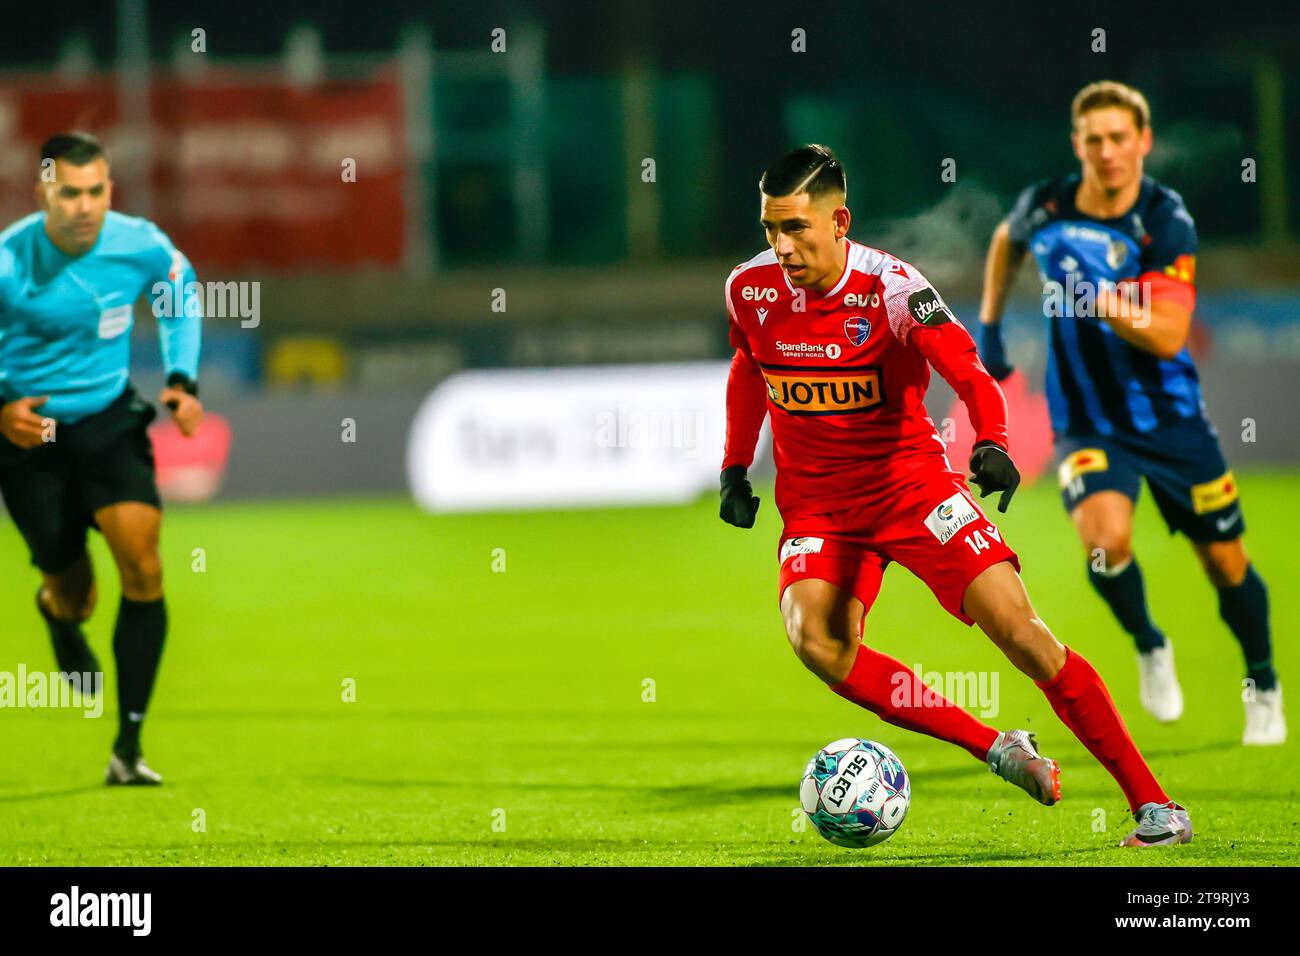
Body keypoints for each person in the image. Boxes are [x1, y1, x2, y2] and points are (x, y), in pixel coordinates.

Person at [720, 143, 1191, 846]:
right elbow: (748, 369)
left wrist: (993, 440)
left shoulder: (894, 290)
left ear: (839, 220)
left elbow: (970, 373)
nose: (780, 246)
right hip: (820, 509)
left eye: (795, 228)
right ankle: (998, 747)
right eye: (770, 229)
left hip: (912, 490)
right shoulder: (748, 290)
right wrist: (734, 466)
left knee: (1022, 634)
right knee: (816, 640)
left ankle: (1157, 806)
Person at [977, 81, 1282, 745]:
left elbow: (1169, 333)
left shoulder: (1164, 219)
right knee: (1104, 548)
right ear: (1077, 145)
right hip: (1087, 420)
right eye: (1094, 139)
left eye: (1120, 138)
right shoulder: (1048, 202)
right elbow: (1006, 237)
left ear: (1143, 141)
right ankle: (1149, 642)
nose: (1108, 152)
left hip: (1172, 422)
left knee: (1226, 564)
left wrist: (1092, 290)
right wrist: (990, 328)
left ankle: (1261, 680)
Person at [0, 131, 204, 784]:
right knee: (76, 592)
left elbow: (180, 288)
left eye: (96, 191)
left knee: (143, 565)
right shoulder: (8, 264)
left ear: (108, 189)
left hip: (110, 425)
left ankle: (129, 747)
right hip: (31, 441)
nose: (85, 207)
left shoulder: (137, 243)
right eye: (69, 193)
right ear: (42, 193)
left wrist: (182, 377)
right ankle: (57, 613)